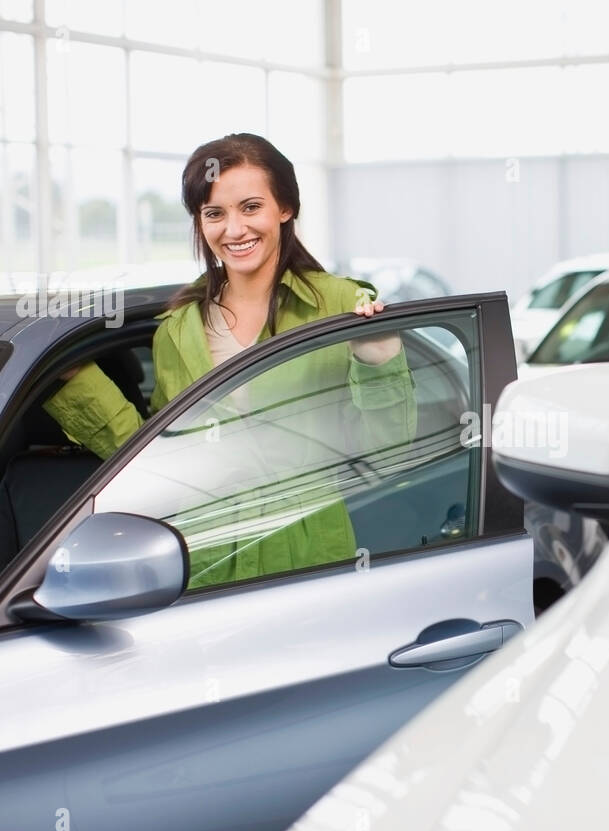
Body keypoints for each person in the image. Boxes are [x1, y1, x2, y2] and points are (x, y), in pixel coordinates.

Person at [42, 132, 416, 586]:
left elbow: (389, 448)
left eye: (251, 207)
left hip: (308, 558)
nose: (234, 230)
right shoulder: (177, 329)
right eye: (214, 213)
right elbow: (160, 457)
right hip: (204, 559)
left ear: (286, 208)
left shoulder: (342, 304)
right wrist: (75, 378)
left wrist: (379, 363)